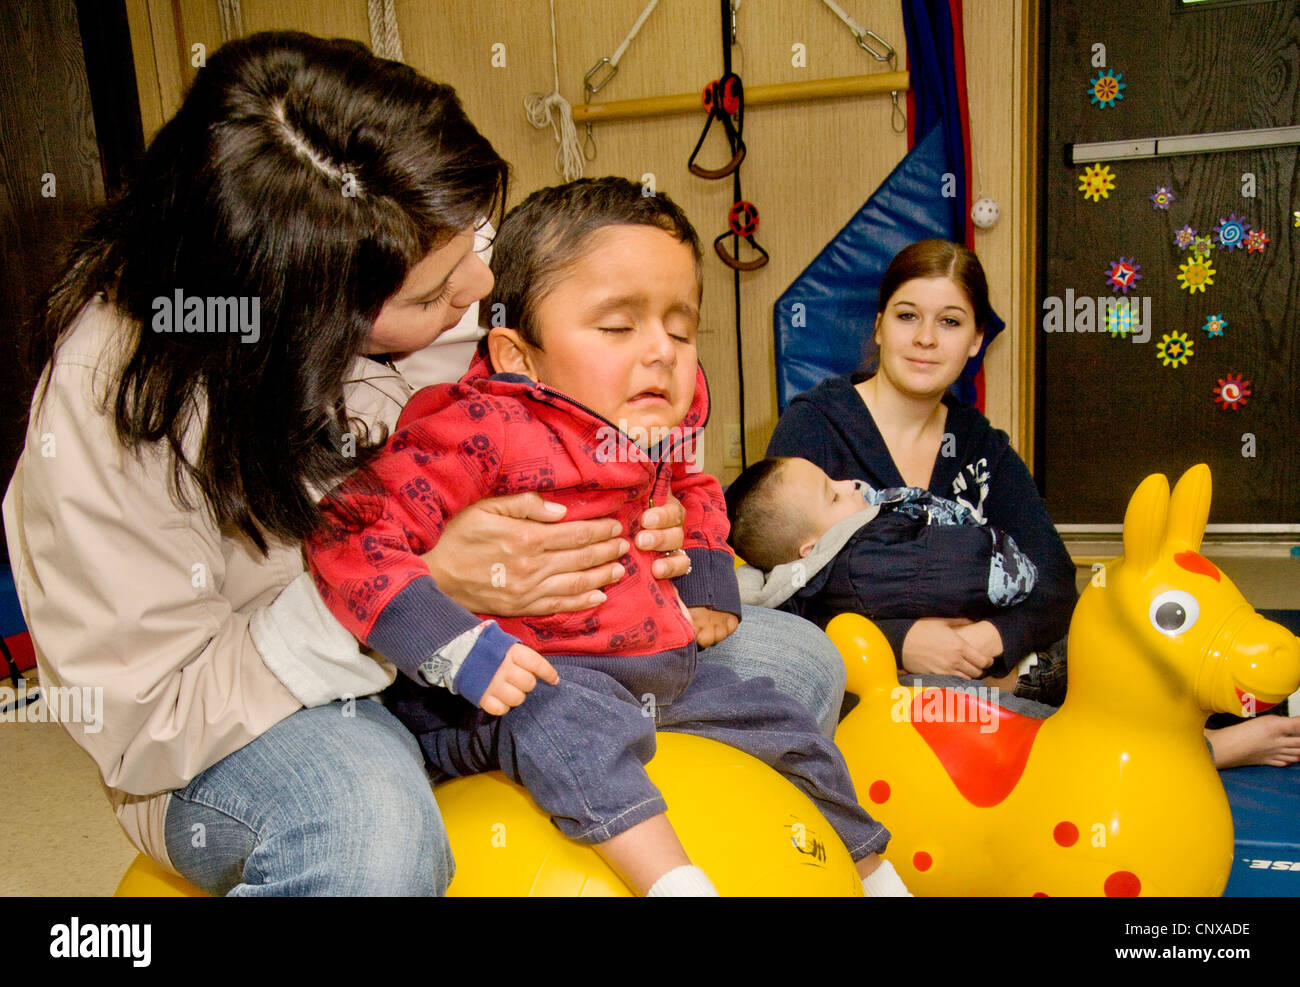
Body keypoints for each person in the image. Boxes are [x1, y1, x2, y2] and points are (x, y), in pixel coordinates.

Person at [1, 32, 846, 897]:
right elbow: (148, 719)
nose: (478, 285)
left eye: (474, 240)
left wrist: (649, 505)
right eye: (432, 293)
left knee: (797, 663)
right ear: (308, 316)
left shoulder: (425, 263)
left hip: (493, 647)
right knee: (369, 827)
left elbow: (621, 380)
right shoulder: (115, 410)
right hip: (251, 716)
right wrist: (413, 597)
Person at [306, 178, 909, 897]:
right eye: (619, 327)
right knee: (569, 720)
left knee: (780, 718)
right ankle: (674, 882)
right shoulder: (472, 430)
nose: (661, 351)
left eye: (681, 329)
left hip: (655, 670)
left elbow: (697, 488)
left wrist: (709, 575)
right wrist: (458, 646)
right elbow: (350, 538)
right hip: (505, 693)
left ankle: (877, 874)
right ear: (518, 357)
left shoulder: (653, 418)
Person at [766, 237, 1300, 765]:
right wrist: (901, 640)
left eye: (950, 322)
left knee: (1151, 637)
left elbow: (1052, 578)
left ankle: (1268, 702)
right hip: (869, 684)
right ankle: (1199, 753)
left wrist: (992, 638)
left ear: (976, 341)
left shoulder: (980, 446)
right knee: (985, 729)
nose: (926, 338)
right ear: (879, 325)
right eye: (908, 316)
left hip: (998, 669)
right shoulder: (816, 425)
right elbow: (779, 590)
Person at [725, 455, 1038, 626]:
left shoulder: (854, 542)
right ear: (810, 550)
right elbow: (1000, 573)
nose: (850, 484)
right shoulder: (867, 561)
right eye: (834, 496)